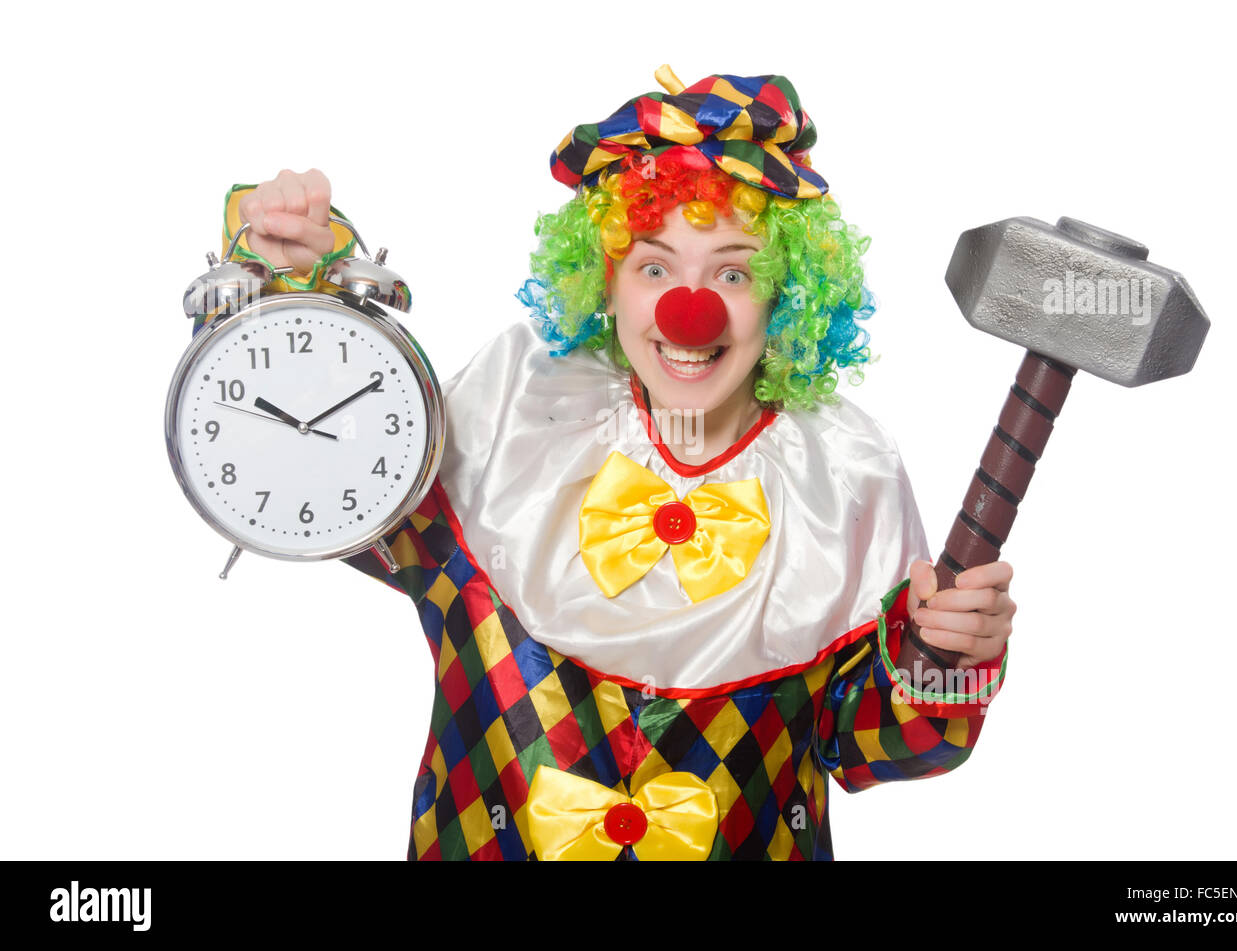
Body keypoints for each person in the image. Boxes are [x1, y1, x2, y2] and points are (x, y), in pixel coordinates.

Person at [206, 68, 1015, 861]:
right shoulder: (520, 409)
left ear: (787, 294)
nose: (685, 309)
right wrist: (298, 280)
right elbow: (339, 489)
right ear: (607, 278)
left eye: (732, 272)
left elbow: (877, 747)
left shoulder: (844, 469)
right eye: (653, 266)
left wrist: (948, 659)